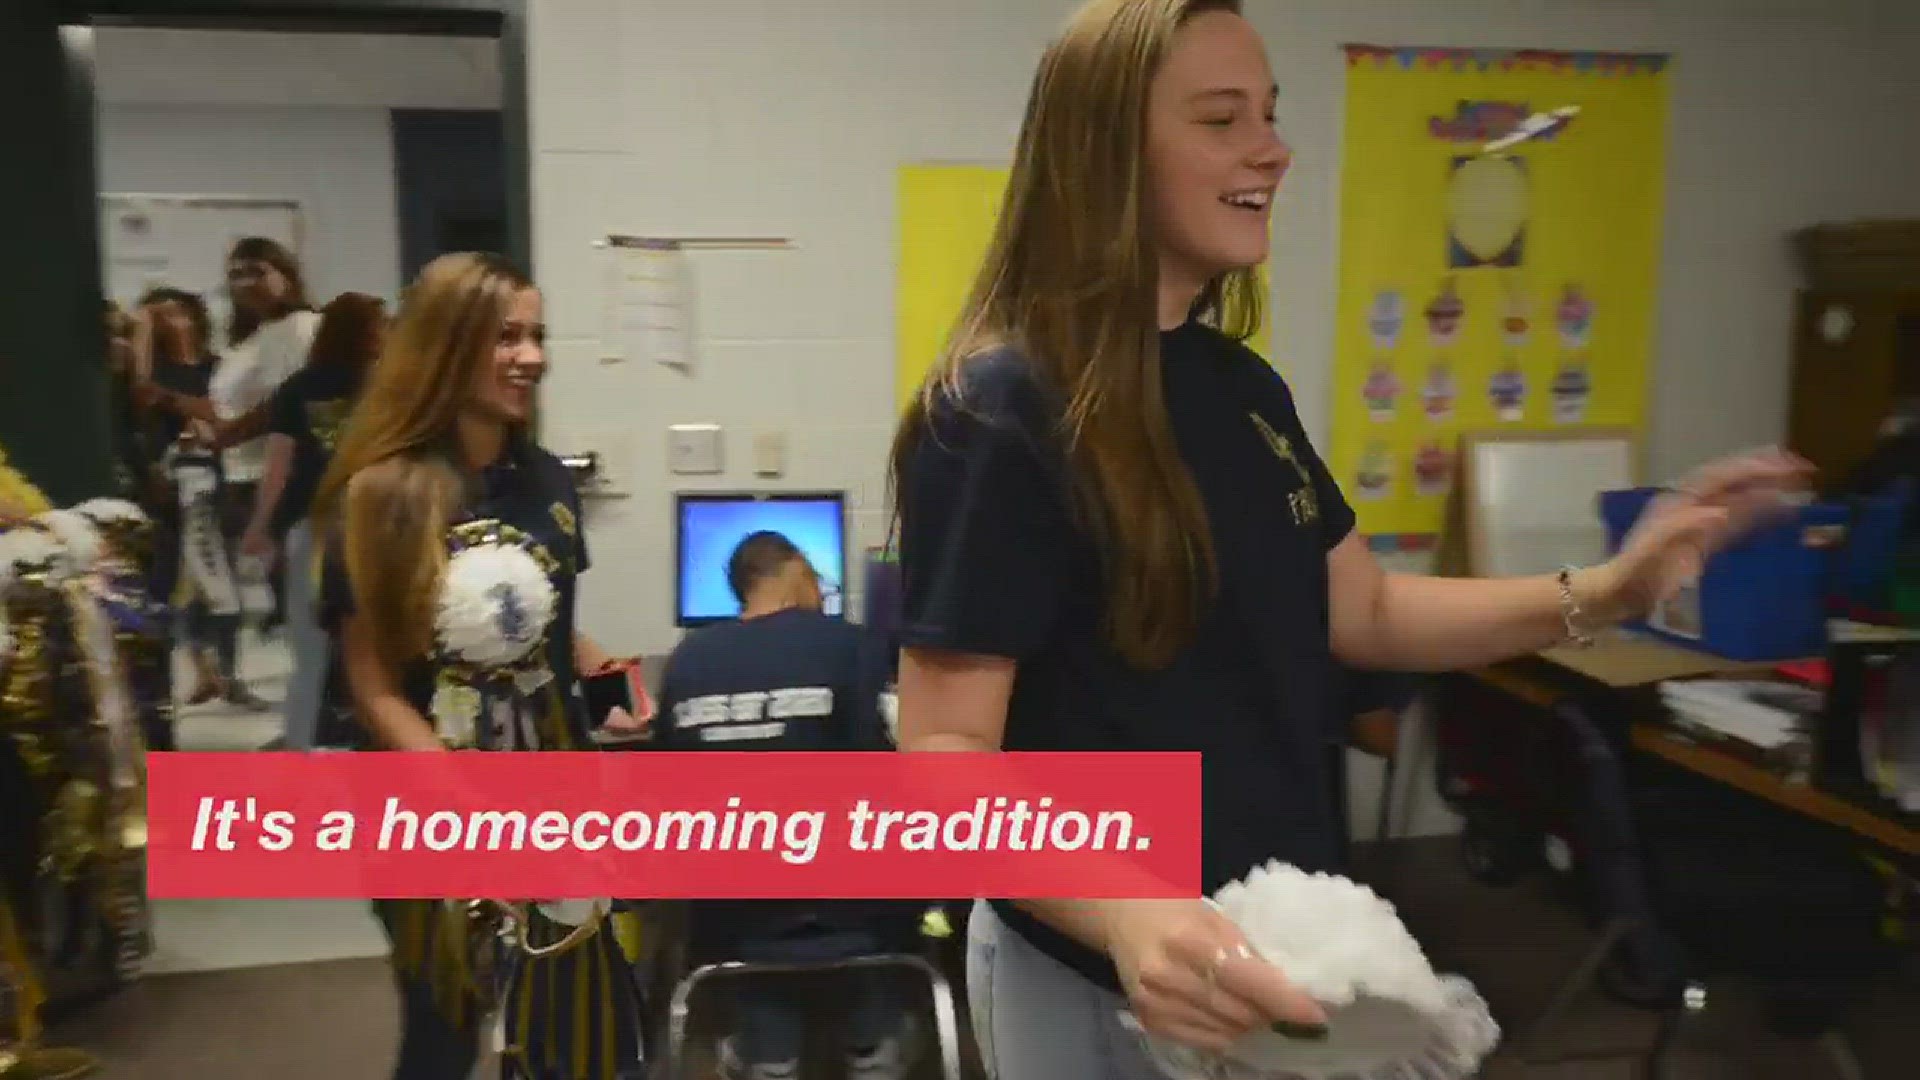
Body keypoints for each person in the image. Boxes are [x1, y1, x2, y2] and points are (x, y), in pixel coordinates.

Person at [885, 3, 1813, 1078]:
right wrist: (1131, 915)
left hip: (1284, 942)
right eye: (1222, 118)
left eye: (1270, 115)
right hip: (1111, 978)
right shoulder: (1005, 404)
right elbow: (942, 759)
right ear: (1103, 152)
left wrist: (1606, 591)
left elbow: (1363, 611)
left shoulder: (1243, 388)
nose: (1272, 148)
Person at [311, 252, 643, 1080]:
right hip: (426, 803)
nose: (531, 356)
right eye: (505, 337)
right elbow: (374, 685)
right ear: (445, 346)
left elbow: (544, 628)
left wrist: (611, 678)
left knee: (578, 1023)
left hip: (554, 792)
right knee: (446, 1031)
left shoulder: (544, 481)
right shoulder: (383, 493)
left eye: (536, 335)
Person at [651, 531, 914, 1080]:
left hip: (730, 920)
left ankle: (766, 1053)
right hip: (853, 912)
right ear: (795, 574)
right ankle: (873, 1043)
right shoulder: (851, 644)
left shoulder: (685, 661)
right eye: (819, 581)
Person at [214, 291, 386, 750]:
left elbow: (280, 467)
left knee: (309, 646)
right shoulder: (385, 388)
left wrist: (263, 524)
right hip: (369, 529)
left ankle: (303, 746)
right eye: (378, 326)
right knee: (369, 647)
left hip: (310, 527)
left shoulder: (297, 388)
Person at [210, 236, 319, 638]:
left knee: (302, 602)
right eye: (236, 274)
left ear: (285, 275)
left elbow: (295, 399)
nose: (245, 283)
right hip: (239, 475)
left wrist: (230, 434)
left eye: (257, 271)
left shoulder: (305, 328)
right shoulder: (245, 342)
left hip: (282, 475)